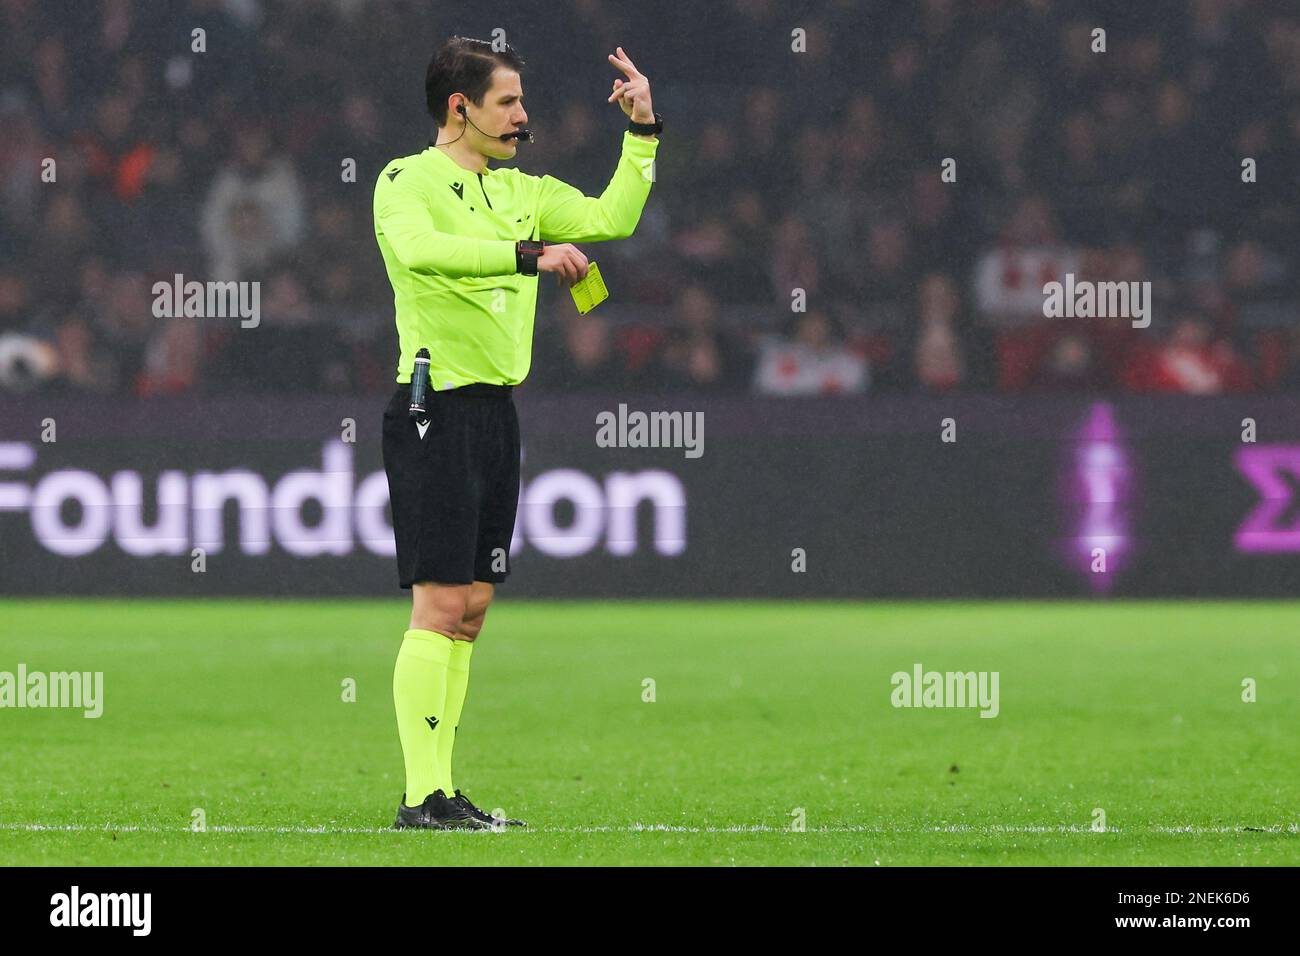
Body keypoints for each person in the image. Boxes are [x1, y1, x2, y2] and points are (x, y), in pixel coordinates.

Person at [373, 36, 661, 829]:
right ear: (459, 108)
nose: (523, 115)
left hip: (495, 410)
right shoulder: (407, 179)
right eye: (508, 101)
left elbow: (612, 217)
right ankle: (420, 795)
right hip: (434, 407)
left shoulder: (524, 190)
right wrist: (526, 256)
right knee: (436, 604)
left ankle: (441, 789)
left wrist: (641, 133)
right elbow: (419, 250)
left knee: (471, 606)